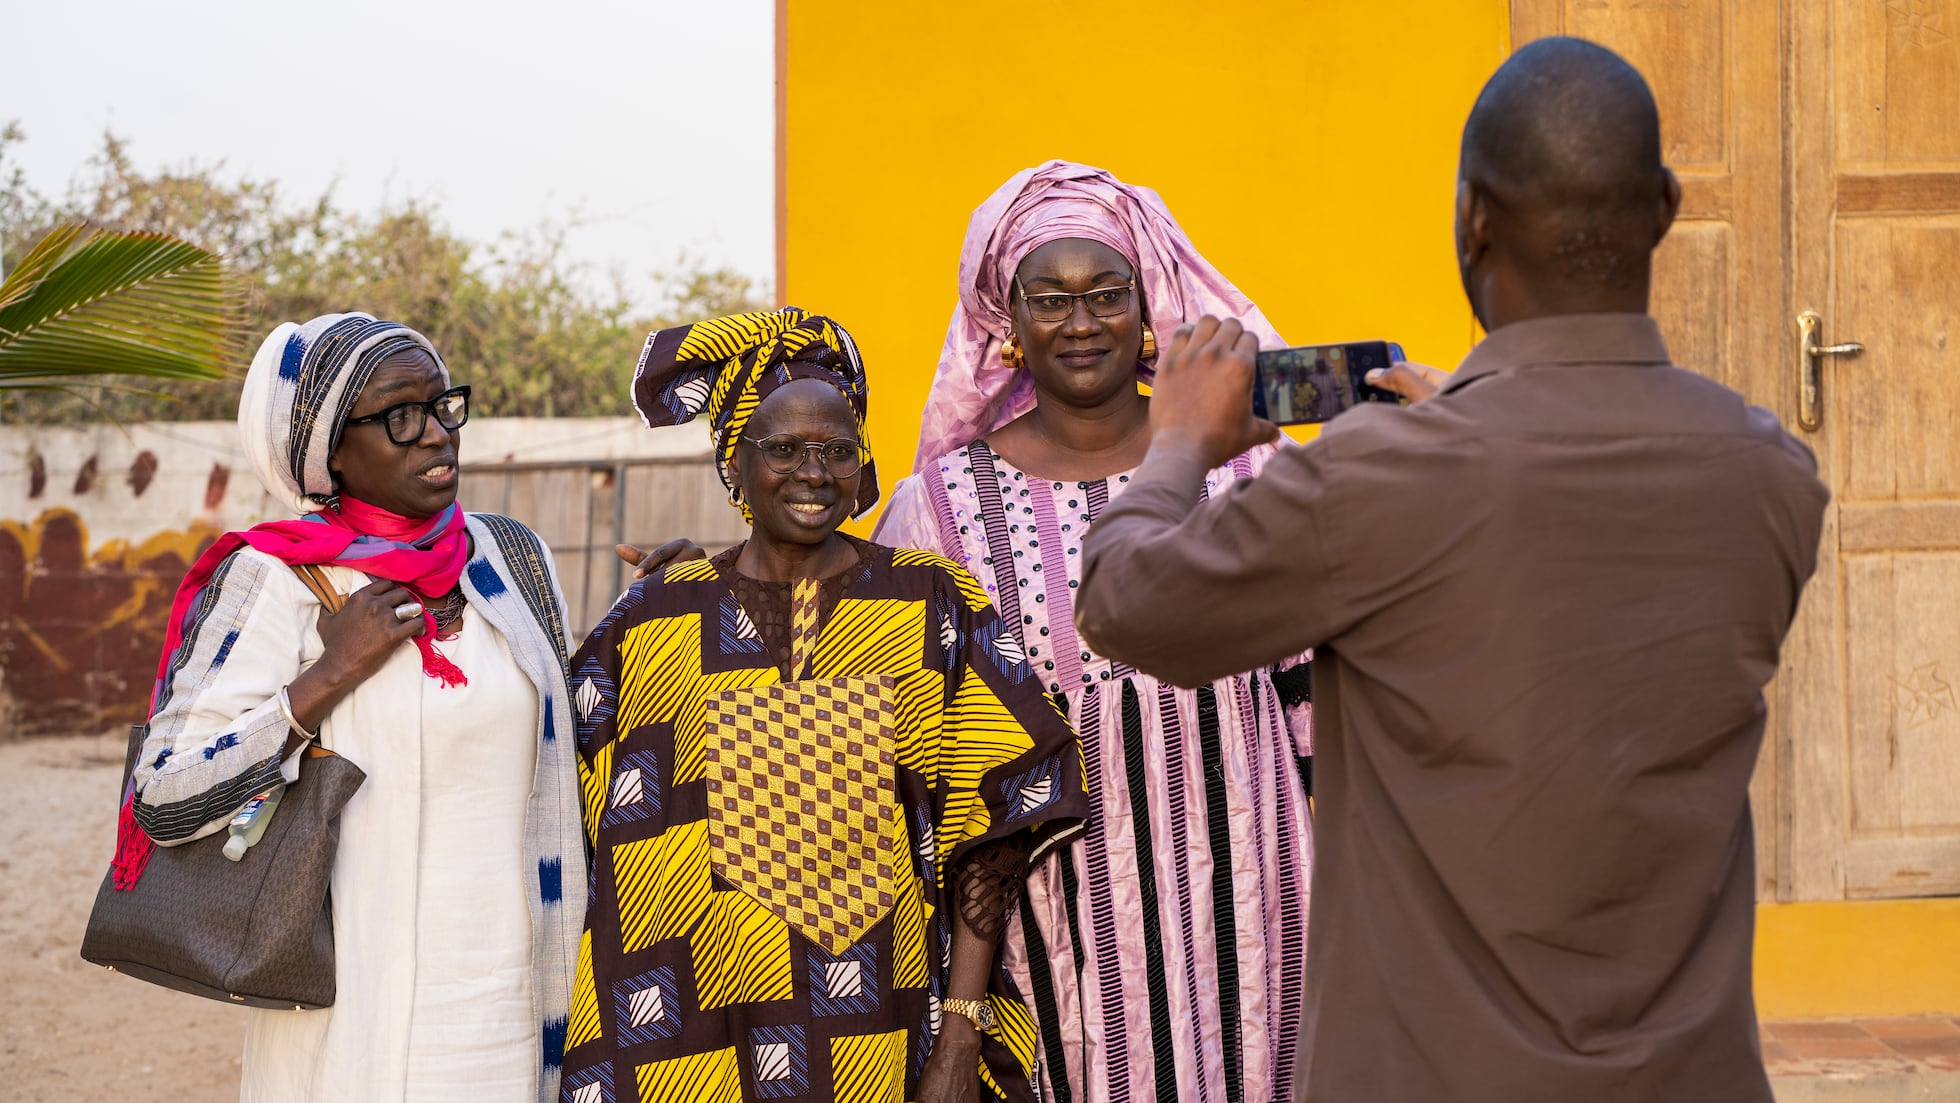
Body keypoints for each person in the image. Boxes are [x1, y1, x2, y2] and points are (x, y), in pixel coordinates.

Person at [1077, 39, 1829, 1103]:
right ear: (1661, 208)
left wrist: (1179, 445)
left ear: (1470, 217)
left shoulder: (1374, 480)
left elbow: (1121, 600)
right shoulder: (1770, 472)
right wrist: (1469, 433)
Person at [562, 308, 1089, 1103]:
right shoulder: (653, 618)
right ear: (734, 463)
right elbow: (564, 798)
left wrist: (959, 1030)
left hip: (883, 1032)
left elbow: (995, 821)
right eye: (782, 449)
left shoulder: (929, 601)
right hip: (682, 1037)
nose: (814, 471)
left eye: (837, 450)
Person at [874, 160, 1316, 1103]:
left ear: (1146, 305)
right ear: (1007, 321)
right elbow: (913, 728)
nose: (1081, 322)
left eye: (1106, 293)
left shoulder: (1244, 469)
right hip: (1054, 920)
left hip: (1256, 897)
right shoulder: (940, 508)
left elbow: (1312, 701)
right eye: (1050, 298)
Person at [125, 313, 588, 1102]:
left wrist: (673, 599)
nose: (438, 435)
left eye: (445, 407)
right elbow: (163, 795)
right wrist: (326, 676)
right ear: (330, 451)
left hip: (517, 999)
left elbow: (576, 729)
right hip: (354, 1022)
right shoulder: (274, 576)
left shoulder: (512, 557)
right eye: (401, 417)